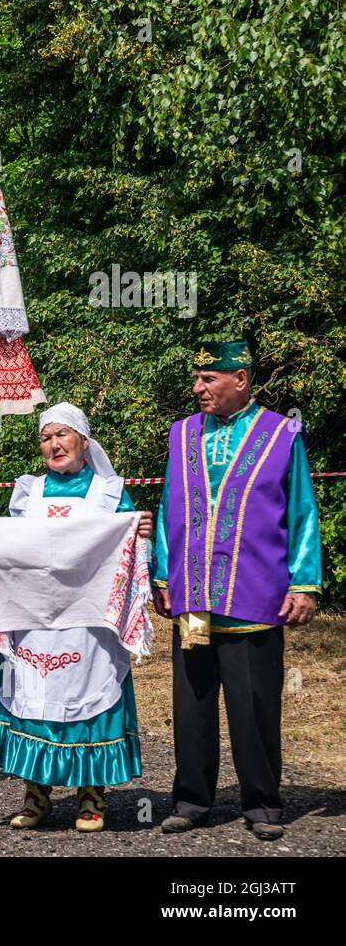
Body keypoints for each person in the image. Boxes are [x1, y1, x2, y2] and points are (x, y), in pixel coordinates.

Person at [152, 340, 321, 841]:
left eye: (209, 378)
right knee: (193, 704)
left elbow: (302, 511)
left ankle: (263, 803)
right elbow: (167, 508)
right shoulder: (181, 434)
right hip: (194, 598)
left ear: (241, 379)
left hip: (256, 593)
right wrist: (162, 574)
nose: (198, 388)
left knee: (254, 705)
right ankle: (191, 799)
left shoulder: (282, 434)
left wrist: (304, 583)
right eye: (197, 378)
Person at [0, 402, 153, 831]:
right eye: (46, 437)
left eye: (62, 435)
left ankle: (91, 796)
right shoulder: (27, 492)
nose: (53, 444)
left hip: (89, 623)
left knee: (89, 699)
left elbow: (133, 548)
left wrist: (142, 533)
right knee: (34, 699)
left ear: (83, 441)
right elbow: (12, 548)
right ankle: (36, 795)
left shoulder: (109, 492)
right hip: (33, 620)